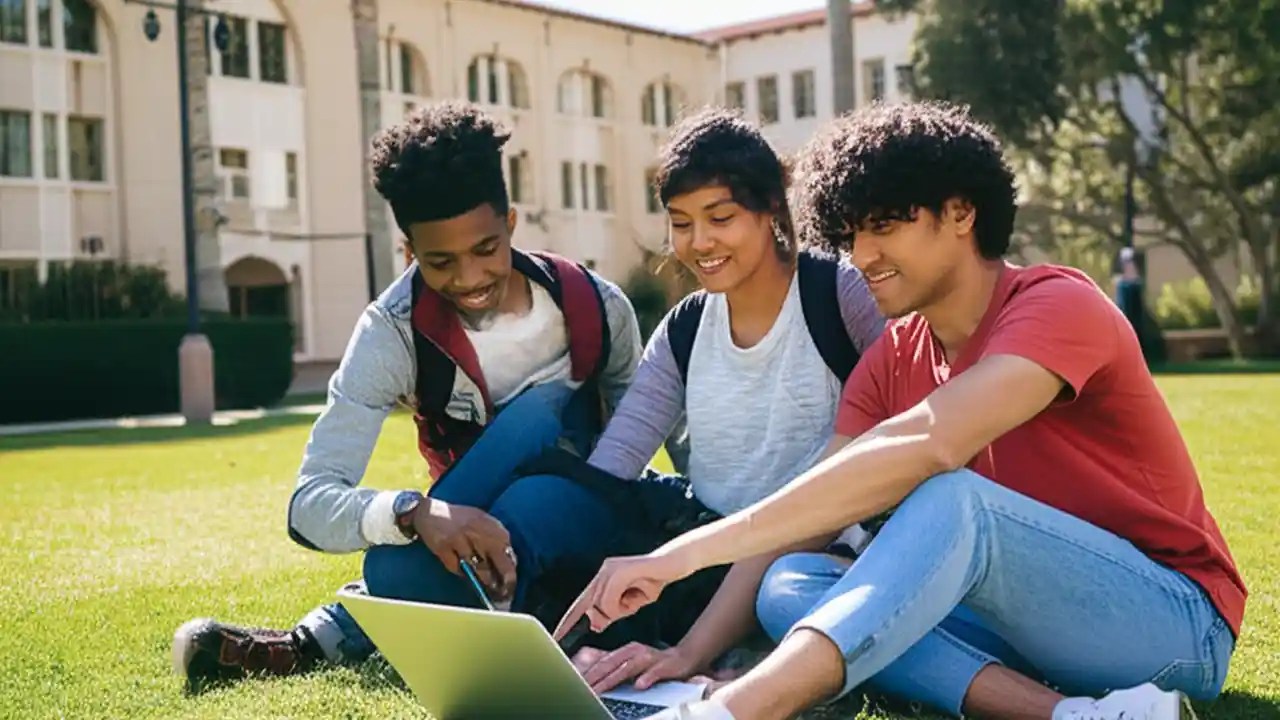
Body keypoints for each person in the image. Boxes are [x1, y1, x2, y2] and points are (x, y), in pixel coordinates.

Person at [555, 102, 1245, 720]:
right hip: (1025, 632)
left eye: (885, 226)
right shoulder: (894, 357)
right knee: (794, 585)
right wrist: (690, 647)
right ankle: (1073, 716)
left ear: (961, 213)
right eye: (851, 232)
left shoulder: (1058, 305)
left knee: (954, 498)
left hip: (1175, 625)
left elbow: (934, 444)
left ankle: (733, 714)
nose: (862, 256)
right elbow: (814, 510)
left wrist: (684, 561)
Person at [171, 100, 644, 688]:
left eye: (486, 249)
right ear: (408, 252)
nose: (469, 279)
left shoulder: (594, 303)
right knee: (397, 564)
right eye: (440, 261)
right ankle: (485, 614)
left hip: (588, 515)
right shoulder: (392, 330)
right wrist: (415, 512)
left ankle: (323, 636)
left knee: (538, 418)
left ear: (512, 224)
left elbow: (647, 449)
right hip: (461, 536)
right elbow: (309, 506)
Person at [515, 107, 884, 693]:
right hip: (708, 546)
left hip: (814, 545)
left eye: (721, 217)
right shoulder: (685, 328)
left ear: (770, 211)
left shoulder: (837, 293)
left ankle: (734, 657)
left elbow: (890, 439)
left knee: (782, 588)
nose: (699, 242)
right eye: (681, 222)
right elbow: (616, 464)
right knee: (563, 504)